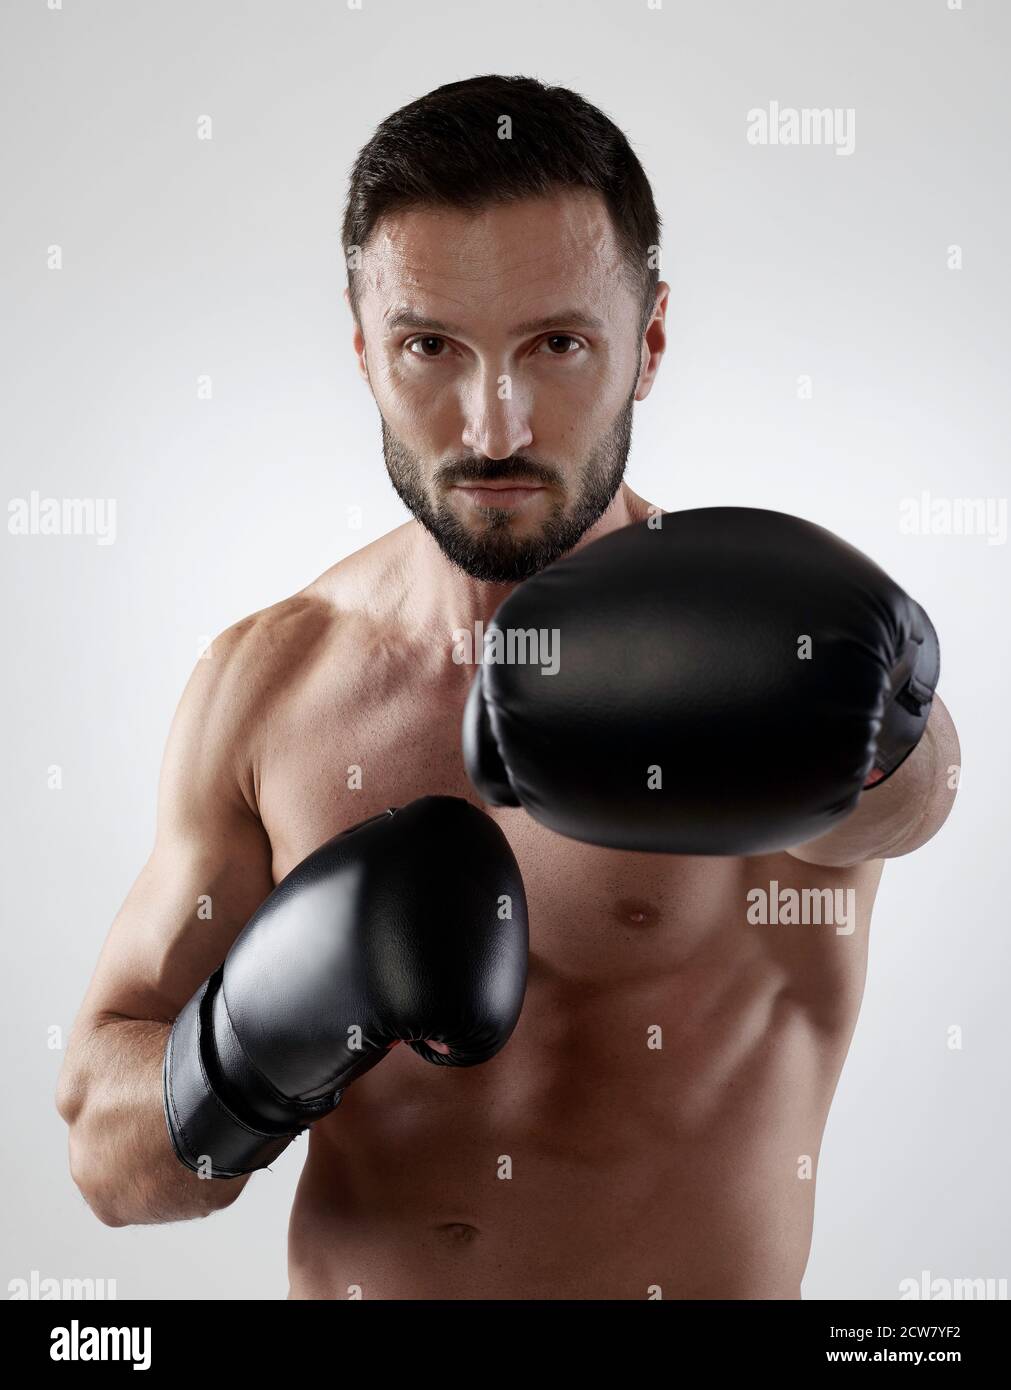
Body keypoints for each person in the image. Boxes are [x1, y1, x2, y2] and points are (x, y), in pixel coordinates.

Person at [56, 75, 960, 1300]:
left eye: (558, 343)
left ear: (647, 342)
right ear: (364, 345)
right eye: (433, 344)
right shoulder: (267, 685)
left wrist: (883, 741)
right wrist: (248, 1049)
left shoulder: (754, 643)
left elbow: (916, 796)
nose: (495, 425)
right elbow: (102, 1161)